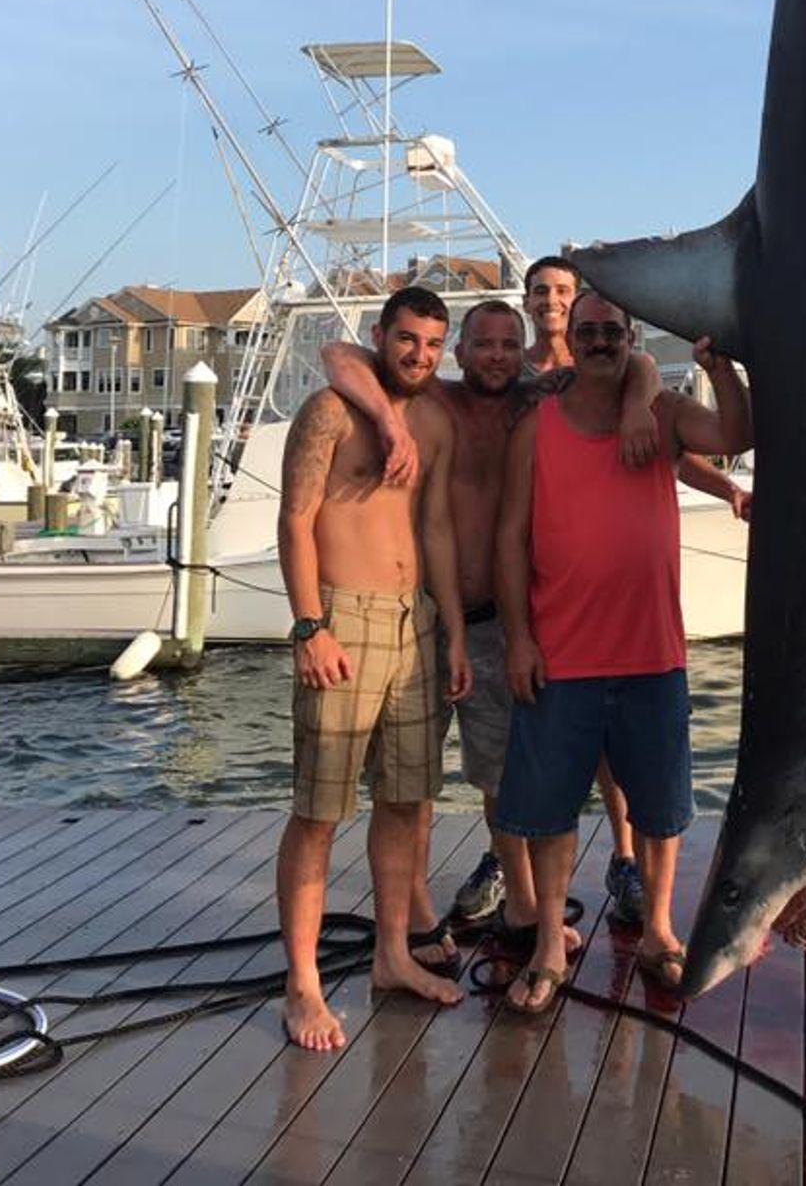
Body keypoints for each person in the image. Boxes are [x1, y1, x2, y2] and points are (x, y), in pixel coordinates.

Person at [494, 289, 752, 1013]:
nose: (601, 340)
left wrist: (720, 365)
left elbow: (737, 429)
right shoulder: (535, 425)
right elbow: (511, 536)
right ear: (569, 340)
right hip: (560, 654)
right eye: (588, 331)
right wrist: (518, 636)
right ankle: (550, 938)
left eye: (613, 330)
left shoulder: (663, 413)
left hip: (651, 654)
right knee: (548, 813)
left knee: (662, 807)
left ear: (630, 335)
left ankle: (661, 929)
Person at [275, 285, 472, 1051]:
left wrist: (453, 631)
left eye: (430, 343)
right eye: (406, 340)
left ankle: (392, 954)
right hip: (341, 617)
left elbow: (439, 532)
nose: (418, 354)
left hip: (413, 621)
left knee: (407, 801)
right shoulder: (330, 410)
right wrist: (309, 624)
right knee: (320, 809)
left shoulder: (436, 421)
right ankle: (302, 983)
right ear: (379, 337)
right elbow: (294, 520)